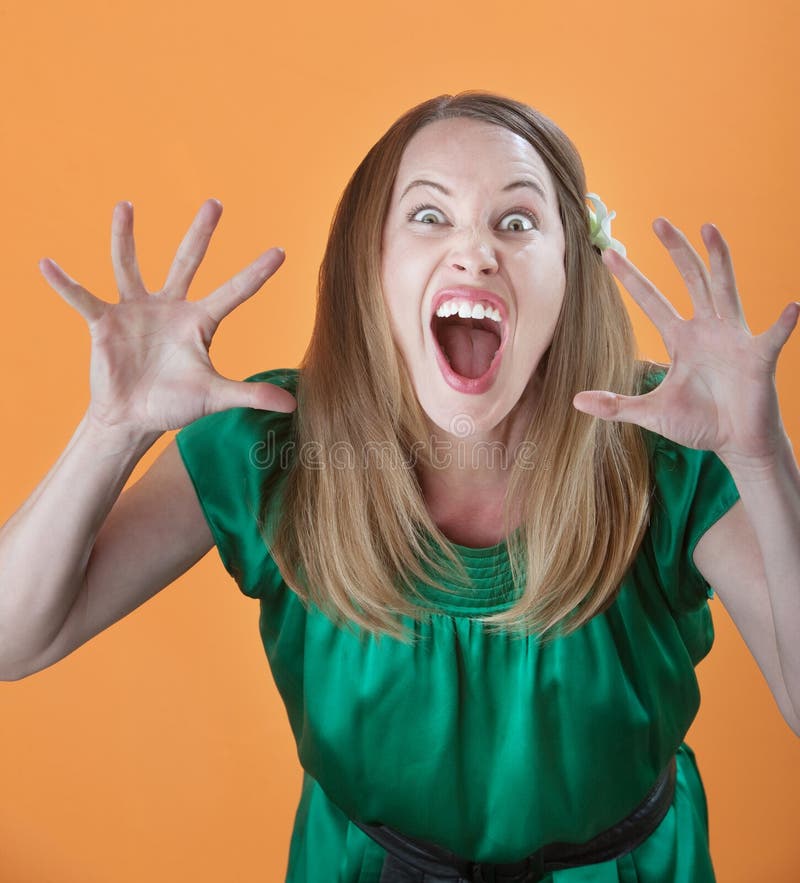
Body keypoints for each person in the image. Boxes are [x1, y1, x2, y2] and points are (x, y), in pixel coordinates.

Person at [1, 91, 798, 882]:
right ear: (372, 264)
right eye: (428, 216)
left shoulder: (667, 452)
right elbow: (14, 639)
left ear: (571, 273)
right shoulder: (272, 447)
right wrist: (113, 431)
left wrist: (761, 458)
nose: (475, 251)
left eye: (517, 222)